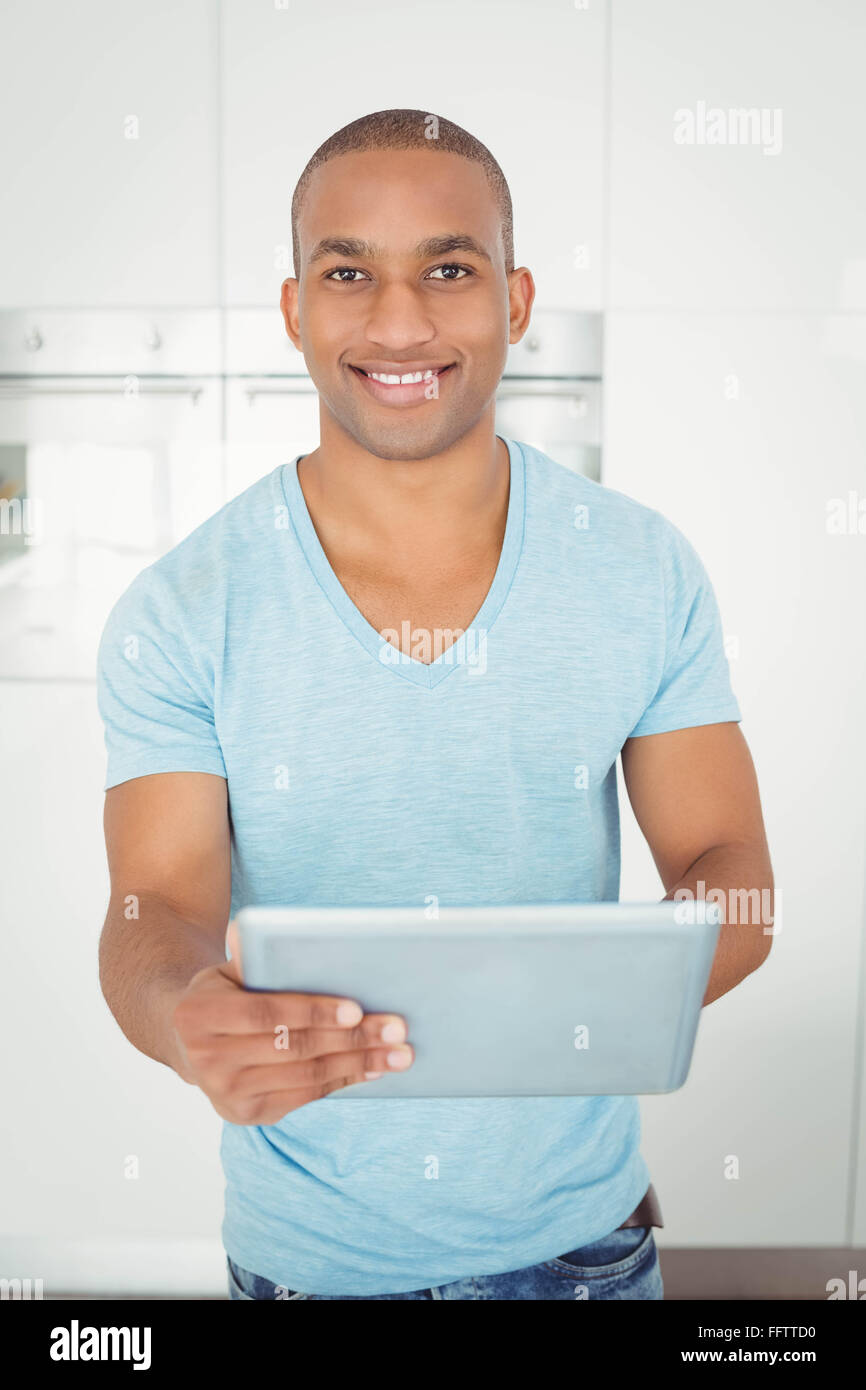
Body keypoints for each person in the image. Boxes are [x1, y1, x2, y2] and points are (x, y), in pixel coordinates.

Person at [96, 109, 773, 1301]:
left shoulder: (638, 567)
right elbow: (155, 911)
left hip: (584, 1250)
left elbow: (732, 871)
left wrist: (588, 995)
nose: (399, 322)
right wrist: (183, 1009)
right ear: (295, 308)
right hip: (306, 1267)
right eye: (347, 271)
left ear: (512, 302)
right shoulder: (180, 607)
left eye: (446, 270)